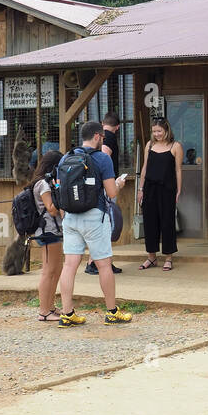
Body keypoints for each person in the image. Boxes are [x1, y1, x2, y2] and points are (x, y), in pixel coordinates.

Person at [56, 120, 131, 326]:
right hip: (94, 217)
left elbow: (60, 190)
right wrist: (119, 183)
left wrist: (66, 217)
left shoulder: (65, 158)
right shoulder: (102, 159)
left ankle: (67, 313)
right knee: (104, 265)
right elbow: (111, 192)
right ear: (97, 136)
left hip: (70, 217)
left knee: (69, 266)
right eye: (102, 137)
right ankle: (112, 311)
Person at [136, 116, 183, 271]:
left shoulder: (175, 146)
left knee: (167, 222)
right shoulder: (149, 145)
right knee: (150, 223)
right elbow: (144, 168)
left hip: (167, 189)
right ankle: (151, 257)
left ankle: (168, 257)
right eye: (154, 131)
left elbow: (178, 170)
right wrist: (140, 189)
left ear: (166, 130)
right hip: (149, 188)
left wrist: (179, 190)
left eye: (159, 131)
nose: (156, 134)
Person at [86, 112, 123, 276]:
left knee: (101, 226)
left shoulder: (101, 137)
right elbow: (105, 154)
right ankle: (96, 262)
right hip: (105, 186)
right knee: (105, 225)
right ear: (118, 127)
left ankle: (97, 262)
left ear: (103, 122)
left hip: (96, 187)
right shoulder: (109, 138)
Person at [31, 149, 64, 322]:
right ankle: (44, 311)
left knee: (56, 269)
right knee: (48, 271)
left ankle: (50, 306)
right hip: (48, 230)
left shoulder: (48, 182)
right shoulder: (42, 184)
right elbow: (50, 208)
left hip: (54, 230)